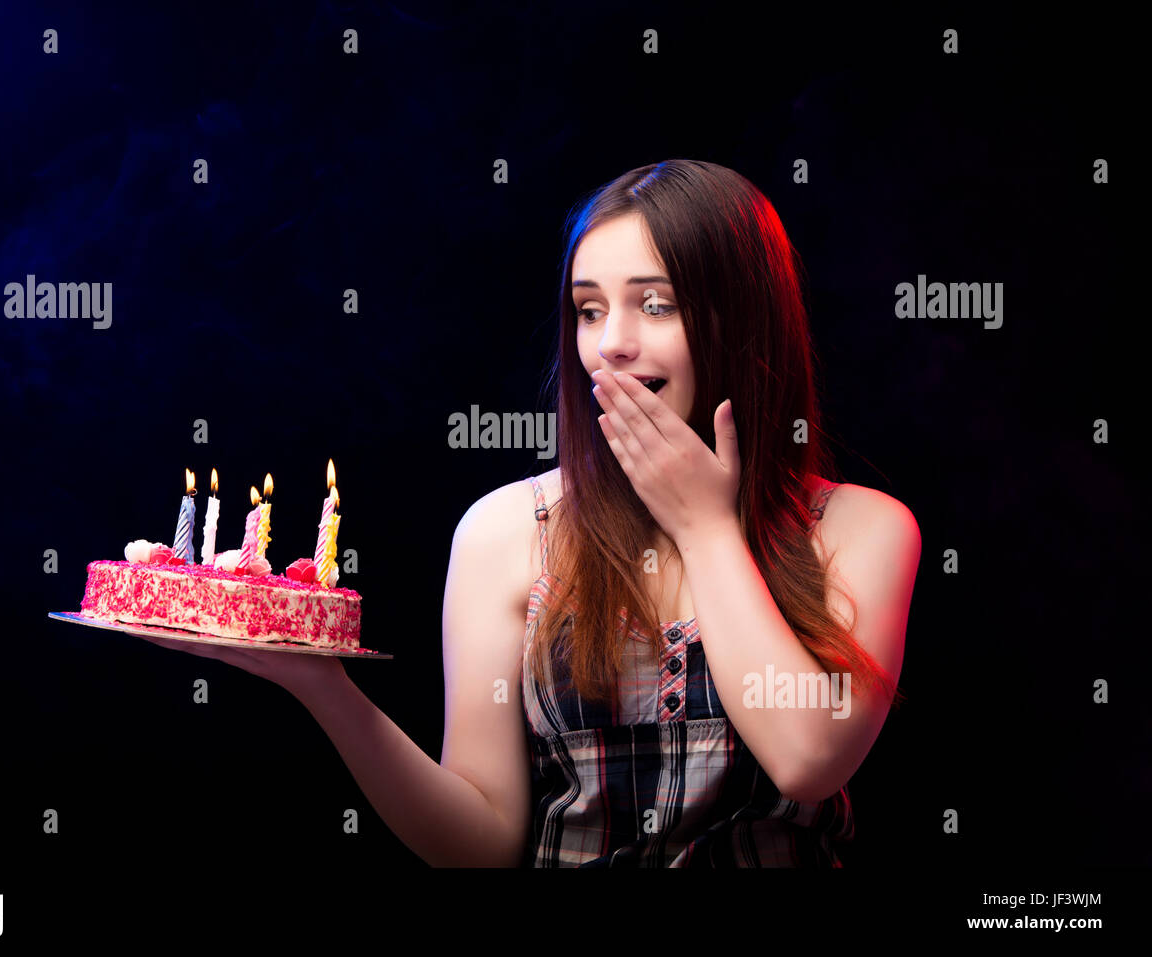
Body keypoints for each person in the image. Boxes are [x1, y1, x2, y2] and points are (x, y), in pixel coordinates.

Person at [138, 159, 921, 867]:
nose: (609, 344)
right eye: (588, 310)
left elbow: (809, 757)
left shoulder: (864, 529)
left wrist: (705, 526)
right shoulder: (507, 532)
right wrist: (325, 687)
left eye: (655, 304)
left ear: (742, 321)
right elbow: (478, 841)